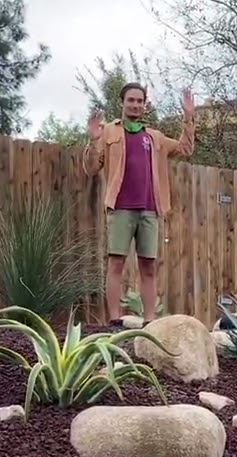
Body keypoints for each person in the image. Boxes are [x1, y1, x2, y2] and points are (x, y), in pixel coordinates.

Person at [82, 82, 196, 329]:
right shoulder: (108, 132)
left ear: (145, 105)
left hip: (149, 209)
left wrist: (188, 117)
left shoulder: (154, 137)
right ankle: (114, 319)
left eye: (139, 101)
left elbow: (185, 148)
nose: (135, 104)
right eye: (131, 100)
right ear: (122, 103)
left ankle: (149, 321)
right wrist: (93, 141)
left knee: (149, 266)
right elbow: (91, 168)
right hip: (120, 207)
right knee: (116, 263)